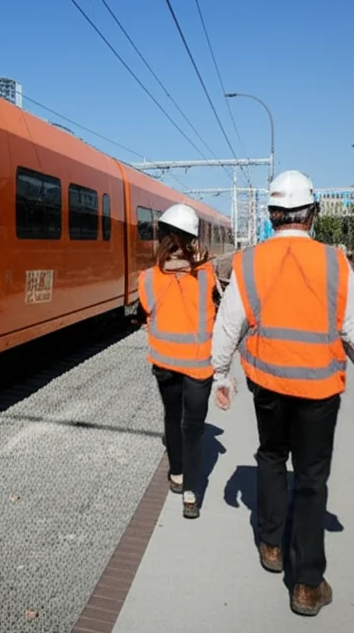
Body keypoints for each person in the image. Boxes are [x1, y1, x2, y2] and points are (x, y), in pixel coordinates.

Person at [210, 170, 354, 617]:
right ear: (313, 213)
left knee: (270, 455)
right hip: (319, 392)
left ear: (271, 215)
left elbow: (229, 323)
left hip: (266, 385)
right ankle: (306, 584)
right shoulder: (334, 262)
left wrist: (221, 376)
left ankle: (270, 543)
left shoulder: (249, 262)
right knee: (310, 481)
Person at [138, 203, 220, 519]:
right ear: (193, 239)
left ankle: (176, 473)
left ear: (164, 238)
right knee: (194, 427)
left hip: (163, 363)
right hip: (198, 365)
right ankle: (190, 495)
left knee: (172, 417)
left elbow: (147, 308)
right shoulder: (206, 275)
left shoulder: (147, 278)